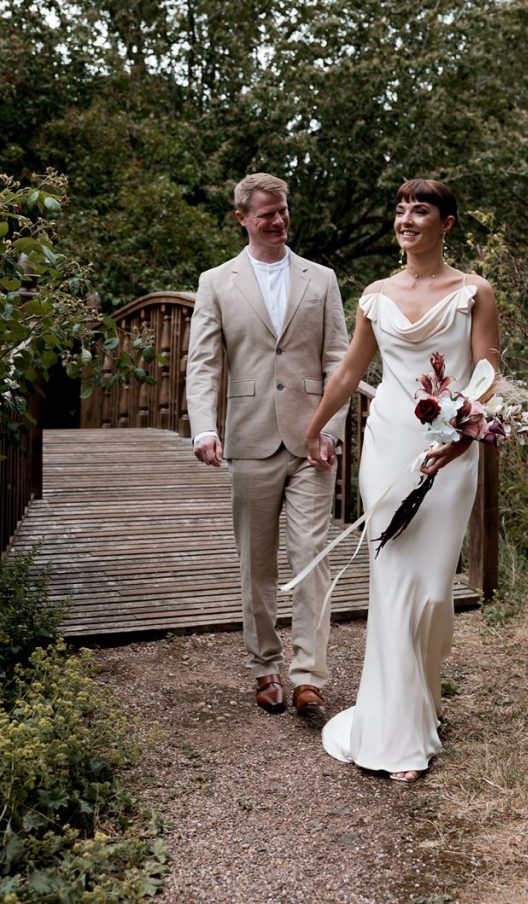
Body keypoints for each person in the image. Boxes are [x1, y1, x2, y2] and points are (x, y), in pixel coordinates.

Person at [306, 178, 499, 781]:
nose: (406, 219)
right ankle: (395, 734)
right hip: (389, 446)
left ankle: (423, 700)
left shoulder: (475, 291)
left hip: (451, 448)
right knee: (393, 584)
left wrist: (466, 427)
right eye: (400, 210)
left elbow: (489, 368)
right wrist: (317, 427)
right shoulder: (374, 296)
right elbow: (349, 373)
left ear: (447, 222)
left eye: (421, 210)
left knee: (435, 591)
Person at [186, 172, 349, 718]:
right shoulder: (217, 281)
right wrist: (204, 426)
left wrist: (331, 428)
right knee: (256, 563)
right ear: (242, 218)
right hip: (250, 436)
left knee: (310, 558)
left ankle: (309, 677)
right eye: (265, 214)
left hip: (312, 441)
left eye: (282, 210)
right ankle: (264, 667)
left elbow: (338, 362)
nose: (277, 221)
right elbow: (205, 362)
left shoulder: (321, 279)